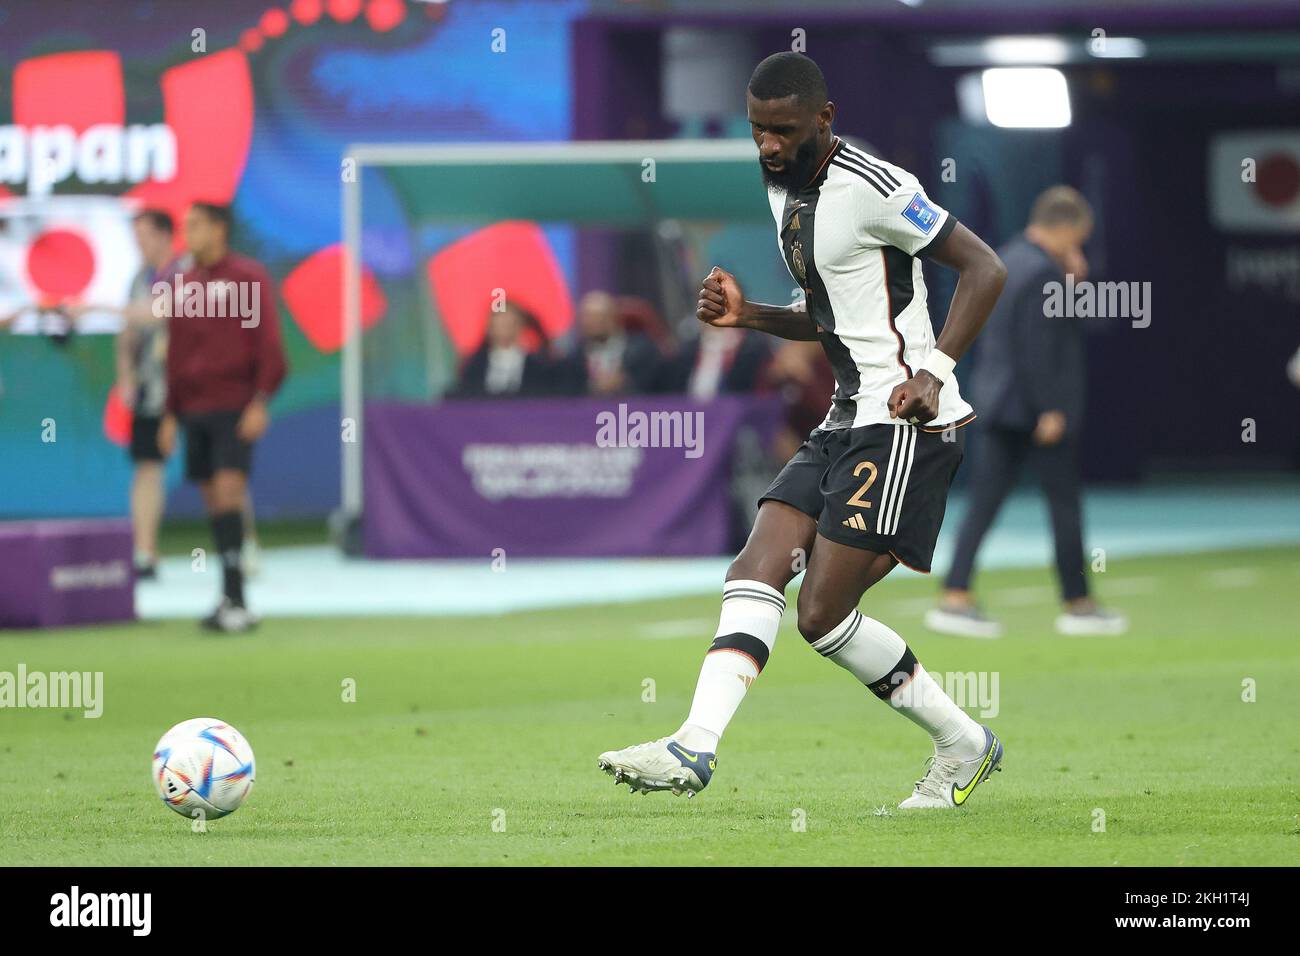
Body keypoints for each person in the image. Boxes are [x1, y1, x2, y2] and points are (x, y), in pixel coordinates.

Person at [598, 52, 1009, 809]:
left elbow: (985, 268)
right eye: (757, 130)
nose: (767, 146)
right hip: (845, 417)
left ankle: (963, 743)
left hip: (905, 424)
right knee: (755, 567)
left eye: (782, 130)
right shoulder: (786, 187)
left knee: (821, 614)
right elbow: (831, 315)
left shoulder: (879, 187)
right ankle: (694, 746)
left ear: (824, 118)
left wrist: (937, 371)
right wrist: (749, 316)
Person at [925, 187, 1127, 639]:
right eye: (1077, 238)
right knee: (1064, 506)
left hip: (999, 403)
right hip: (1033, 411)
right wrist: (1052, 409)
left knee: (983, 504)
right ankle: (1078, 603)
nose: (1078, 248)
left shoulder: (1007, 259)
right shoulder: (1042, 272)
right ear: (1066, 227)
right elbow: (1039, 347)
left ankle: (955, 595)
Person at [157, 202, 287, 633]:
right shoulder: (184, 284)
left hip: (234, 406)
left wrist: (260, 401)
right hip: (193, 409)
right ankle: (227, 595)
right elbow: (176, 355)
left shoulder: (248, 278)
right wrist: (169, 414)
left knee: (231, 492)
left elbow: (269, 346)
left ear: (219, 228)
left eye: (195, 224)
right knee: (213, 500)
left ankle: (239, 600)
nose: (188, 233)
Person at [66, 210, 180, 579]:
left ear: (165, 235)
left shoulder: (187, 273)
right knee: (147, 466)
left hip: (194, 385)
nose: (140, 244)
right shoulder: (137, 278)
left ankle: (240, 548)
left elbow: (158, 314)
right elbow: (128, 333)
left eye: (145, 235)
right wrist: (126, 378)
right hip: (153, 392)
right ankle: (145, 554)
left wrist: (95, 307)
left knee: (221, 474)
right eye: (135, 237)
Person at [449, 302, 564, 398]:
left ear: (520, 326)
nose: (504, 329)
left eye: (509, 324)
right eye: (499, 324)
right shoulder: (474, 366)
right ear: (489, 328)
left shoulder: (539, 367)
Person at [568, 290, 661, 395]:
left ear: (613, 317)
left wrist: (625, 383)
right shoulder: (574, 358)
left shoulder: (642, 352)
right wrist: (592, 387)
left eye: (598, 317)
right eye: (587, 318)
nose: (591, 323)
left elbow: (656, 388)